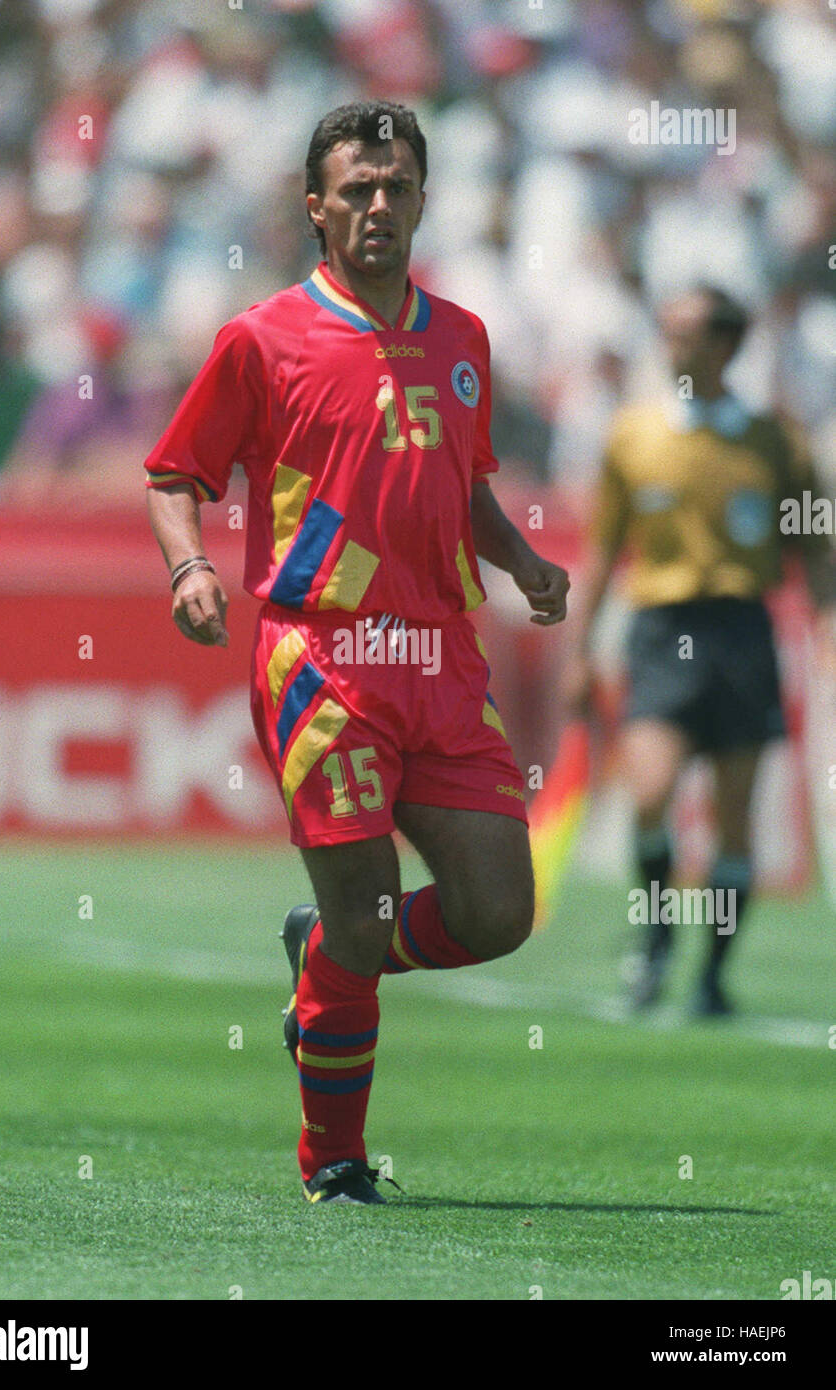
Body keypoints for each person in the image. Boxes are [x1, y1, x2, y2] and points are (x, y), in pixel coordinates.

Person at [145, 102, 569, 1204]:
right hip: (321, 657)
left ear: (423, 199)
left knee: (497, 914)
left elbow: (459, 484)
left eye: (396, 186)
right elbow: (175, 475)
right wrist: (188, 567)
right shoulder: (262, 336)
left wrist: (520, 562)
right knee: (367, 911)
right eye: (356, 188)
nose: (378, 204)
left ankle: (322, 953)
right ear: (315, 207)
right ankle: (333, 1160)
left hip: (442, 657)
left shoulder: (463, 336)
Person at [564, 286, 836, 1017]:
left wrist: (826, 623)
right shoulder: (633, 434)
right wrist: (579, 649)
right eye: (667, 330)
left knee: (734, 816)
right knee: (648, 791)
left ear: (725, 344)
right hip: (659, 627)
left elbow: (811, 544)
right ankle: (653, 944)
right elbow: (600, 550)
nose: (671, 344)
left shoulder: (773, 438)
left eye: (685, 332)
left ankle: (712, 974)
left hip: (742, 628)